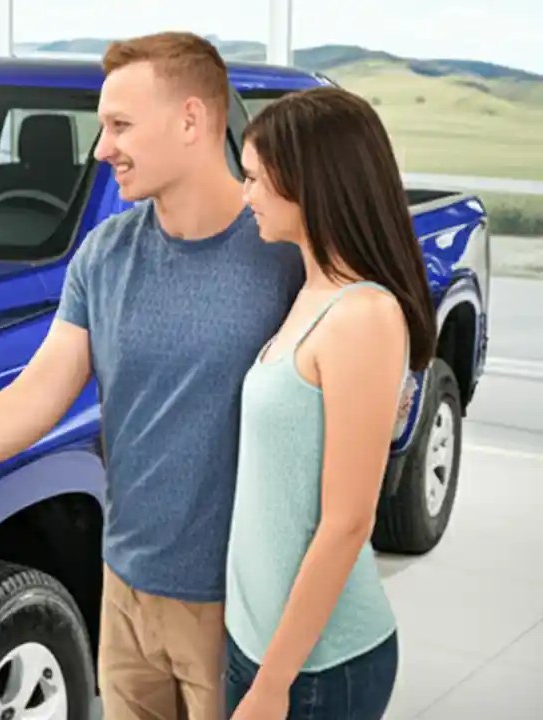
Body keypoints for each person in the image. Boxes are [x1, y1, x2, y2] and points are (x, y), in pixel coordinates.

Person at [0, 32, 304, 719]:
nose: (100, 148)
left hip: (238, 603)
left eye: (120, 125)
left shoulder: (284, 253)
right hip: (126, 591)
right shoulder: (106, 252)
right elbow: (39, 394)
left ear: (191, 121)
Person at [223, 86, 433, 719]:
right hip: (261, 643)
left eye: (256, 179)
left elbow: (347, 523)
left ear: (308, 184)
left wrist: (272, 684)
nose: (245, 195)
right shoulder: (310, 289)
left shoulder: (362, 316)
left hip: (314, 666)